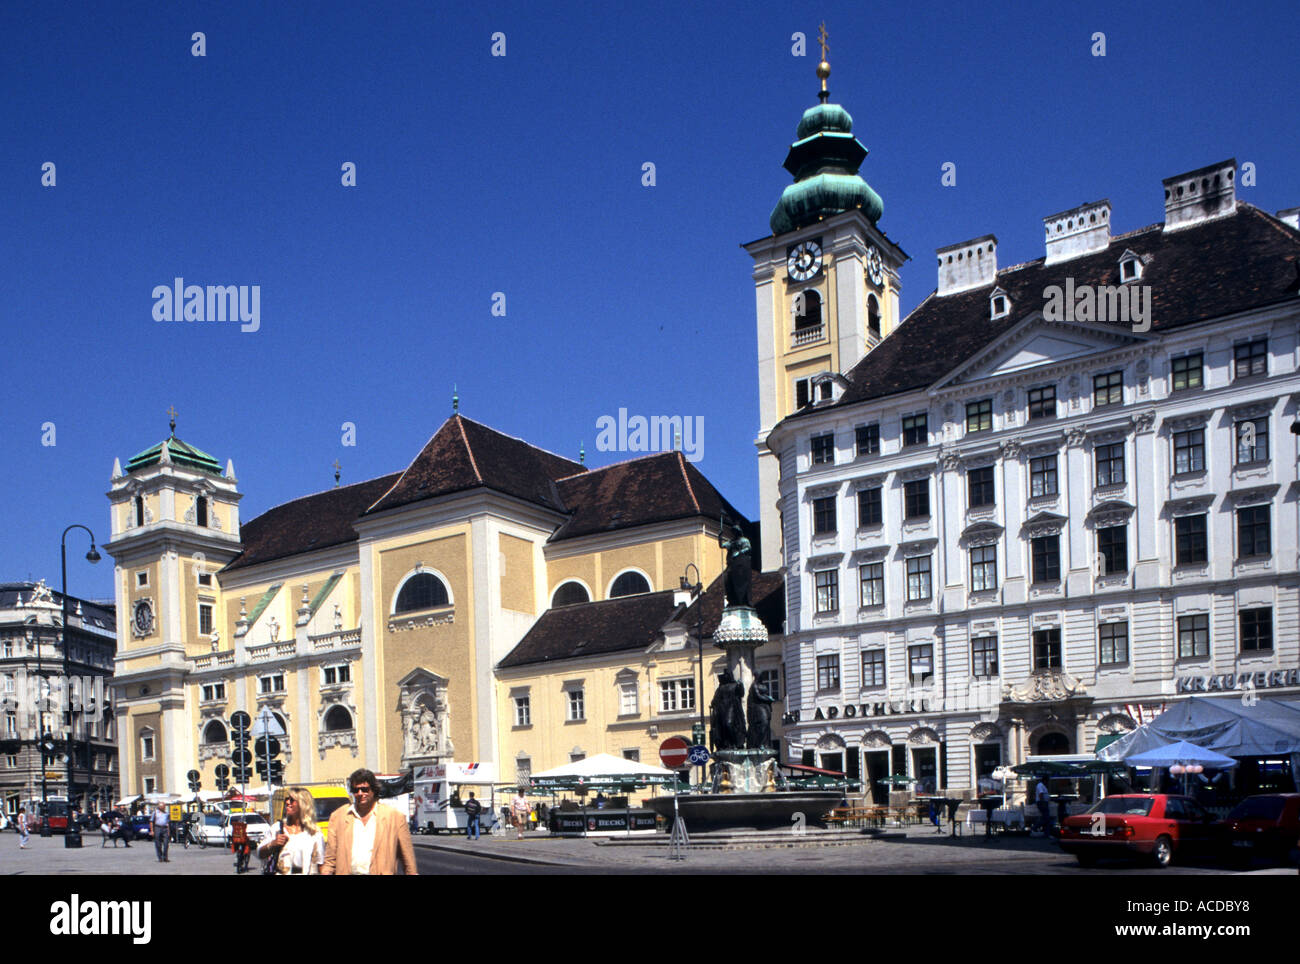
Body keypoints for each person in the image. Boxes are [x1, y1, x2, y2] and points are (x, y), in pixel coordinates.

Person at [322, 768, 417, 875]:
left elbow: (408, 862)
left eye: (364, 789)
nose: (360, 793)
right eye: (355, 790)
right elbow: (330, 860)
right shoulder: (338, 817)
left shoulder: (395, 818)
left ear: (374, 789)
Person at [258, 787, 325, 875]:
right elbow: (260, 853)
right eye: (287, 799)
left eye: (292, 800)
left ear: (302, 804)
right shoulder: (277, 828)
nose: (287, 802)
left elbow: (320, 864)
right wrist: (273, 844)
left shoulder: (315, 833)